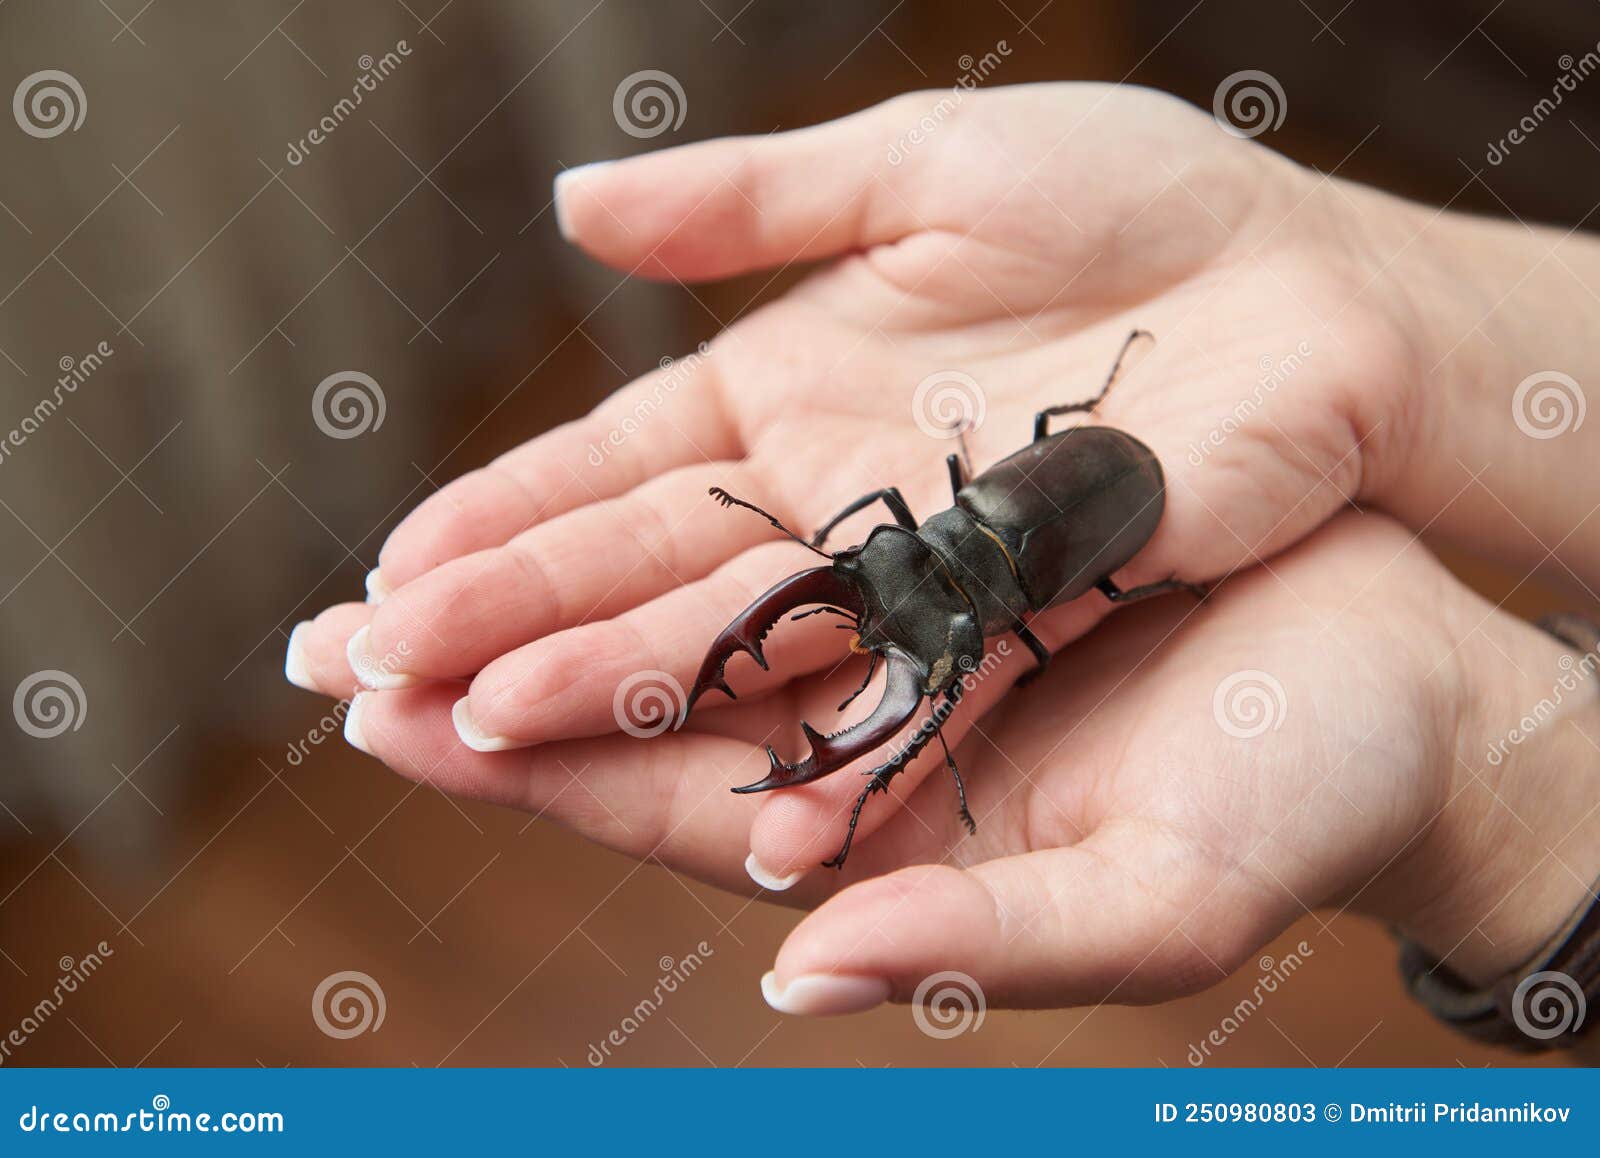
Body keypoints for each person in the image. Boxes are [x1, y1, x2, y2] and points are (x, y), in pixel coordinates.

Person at [283, 84, 1600, 1045]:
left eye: (936, 643)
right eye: (889, 571)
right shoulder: (962, 571)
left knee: (1098, 575)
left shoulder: (1025, 578)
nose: (905, 616)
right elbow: (883, 542)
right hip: (1062, 503)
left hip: (1096, 490)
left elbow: (951, 558)